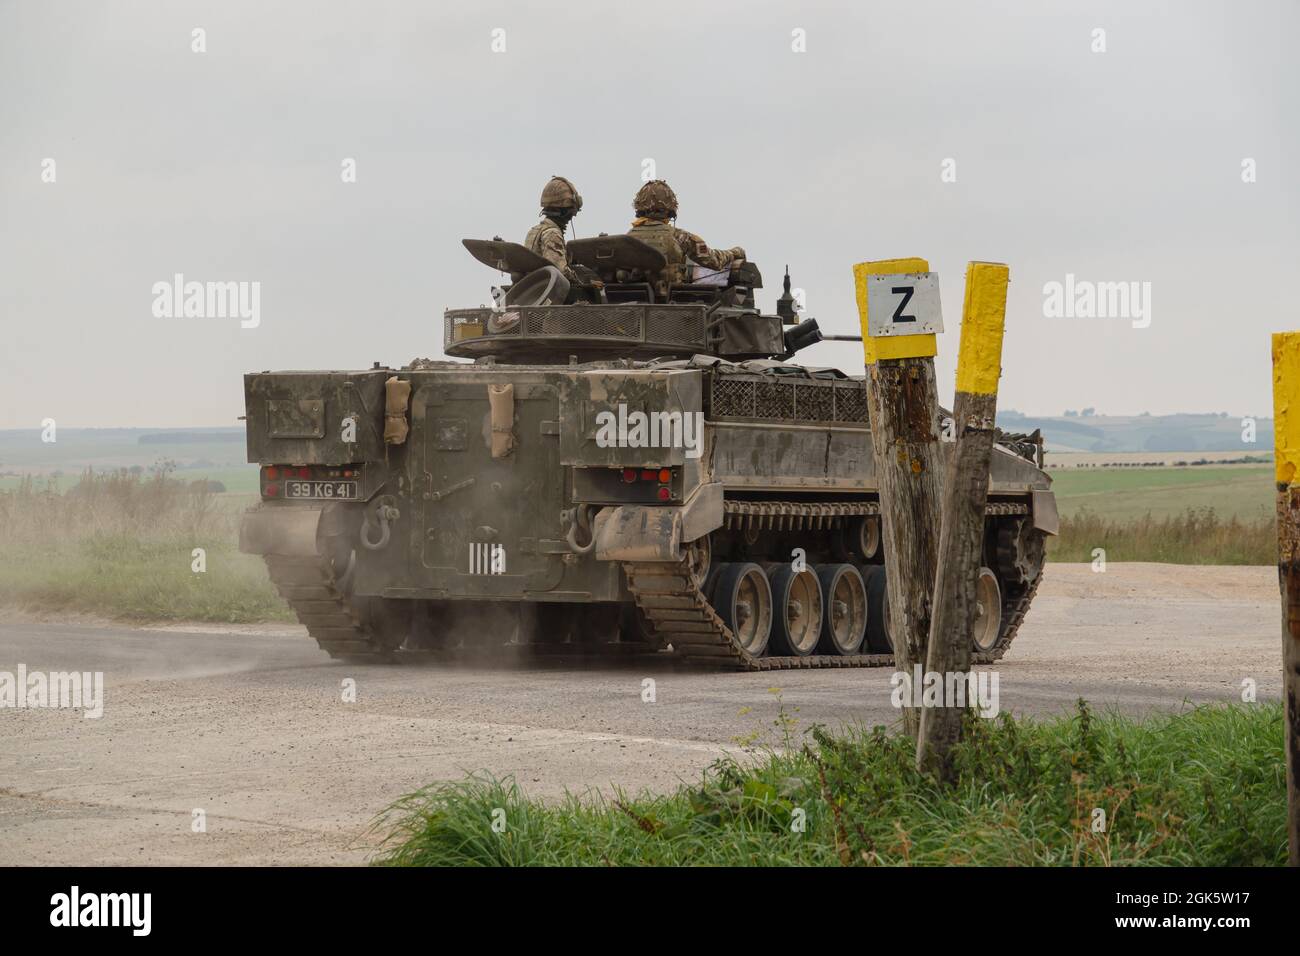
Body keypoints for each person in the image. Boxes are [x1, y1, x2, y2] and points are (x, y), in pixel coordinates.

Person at [626, 180, 746, 286]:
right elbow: (714, 260)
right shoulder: (680, 237)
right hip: (671, 303)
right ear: (671, 211)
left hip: (628, 303)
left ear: (638, 208)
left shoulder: (626, 240)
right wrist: (734, 253)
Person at [523, 175, 582, 281]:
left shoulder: (534, 230)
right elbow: (560, 271)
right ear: (565, 211)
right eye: (571, 211)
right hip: (548, 291)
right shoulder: (552, 233)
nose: (573, 216)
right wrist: (578, 279)